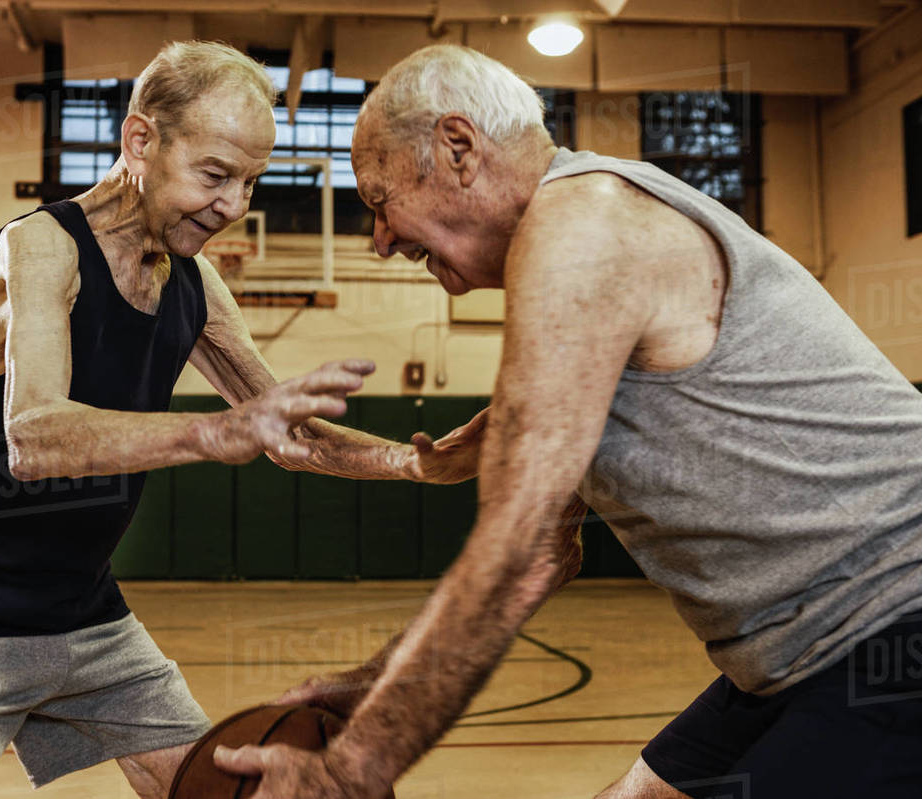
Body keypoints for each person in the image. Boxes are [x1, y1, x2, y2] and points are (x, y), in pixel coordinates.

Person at [213, 44, 922, 798]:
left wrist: (353, 770)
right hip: (804, 657)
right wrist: (372, 686)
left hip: (893, 630)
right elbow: (548, 554)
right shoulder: (571, 251)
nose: (381, 240)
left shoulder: (585, 227)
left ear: (458, 148)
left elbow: (514, 552)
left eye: (380, 199)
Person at [0, 41, 482, 799]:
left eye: (250, 180)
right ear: (140, 141)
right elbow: (34, 436)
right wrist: (211, 432)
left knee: (221, 791)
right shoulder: (39, 248)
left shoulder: (196, 285)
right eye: (215, 174)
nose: (233, 204)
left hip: (82, 611)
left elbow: (284, 432)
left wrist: (420, 462)